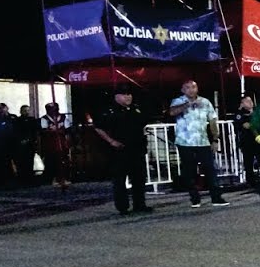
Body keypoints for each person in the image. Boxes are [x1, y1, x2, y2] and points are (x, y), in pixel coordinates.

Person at [92, 87, 153, 216]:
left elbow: (143, 124)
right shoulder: (109, 111)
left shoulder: (136, 109)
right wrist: (111, 141)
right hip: (119, 151)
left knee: (139, 179)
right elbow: (98, 127)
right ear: (116, 97)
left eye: (129, 94)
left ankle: (139, 204)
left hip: (137, 149)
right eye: (125, 95)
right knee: (120, 180)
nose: (128, 97)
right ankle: (122, 207)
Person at [168, 80, 229, 208]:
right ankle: (194, 198)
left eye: (194, 87)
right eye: (188, 87)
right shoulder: (178, 101)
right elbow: (172, 112)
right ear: (183, 90)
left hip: (203, 141)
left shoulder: (205, 102)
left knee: (210, 169)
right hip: (185, 141)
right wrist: (188, 104)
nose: (191, 90)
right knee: (189, 171)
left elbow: (212, 120)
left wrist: (215, 139)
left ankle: (216, 197)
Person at [40, 102, 73, 188]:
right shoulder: (44, 119)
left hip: (62, 143)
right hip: (50, 144)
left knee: (63, 160)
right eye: (51, 109)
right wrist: (52, 130)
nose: (54, 111)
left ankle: (63, 178)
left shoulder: (63, 117)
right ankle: (52, 179)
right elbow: (43, 131)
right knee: (51, 161)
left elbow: (68, 129)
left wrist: (59, 130)